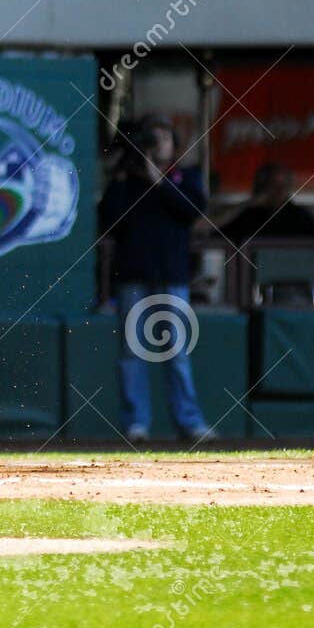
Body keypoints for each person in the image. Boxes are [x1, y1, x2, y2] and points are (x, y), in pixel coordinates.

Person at [97, 117, 215, 443]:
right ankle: (136, 424)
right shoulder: (127, 180)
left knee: (177, 352)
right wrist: (123, 177)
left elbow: (192, 209)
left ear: (174, 146)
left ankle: (189, 423)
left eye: (162, 139)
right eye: (151, 139)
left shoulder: (185, 176)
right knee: (131, 353)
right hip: (133, 274)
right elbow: (108, 219)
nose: (156, 144)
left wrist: (158, 179)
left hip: (172, 275)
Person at [215, 162, 314, 242]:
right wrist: (249, 204)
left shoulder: (300, 217)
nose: (279, 191)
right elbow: (215, 233)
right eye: (273, 185)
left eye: (283, 185)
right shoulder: (246, 215)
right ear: (261, 187)